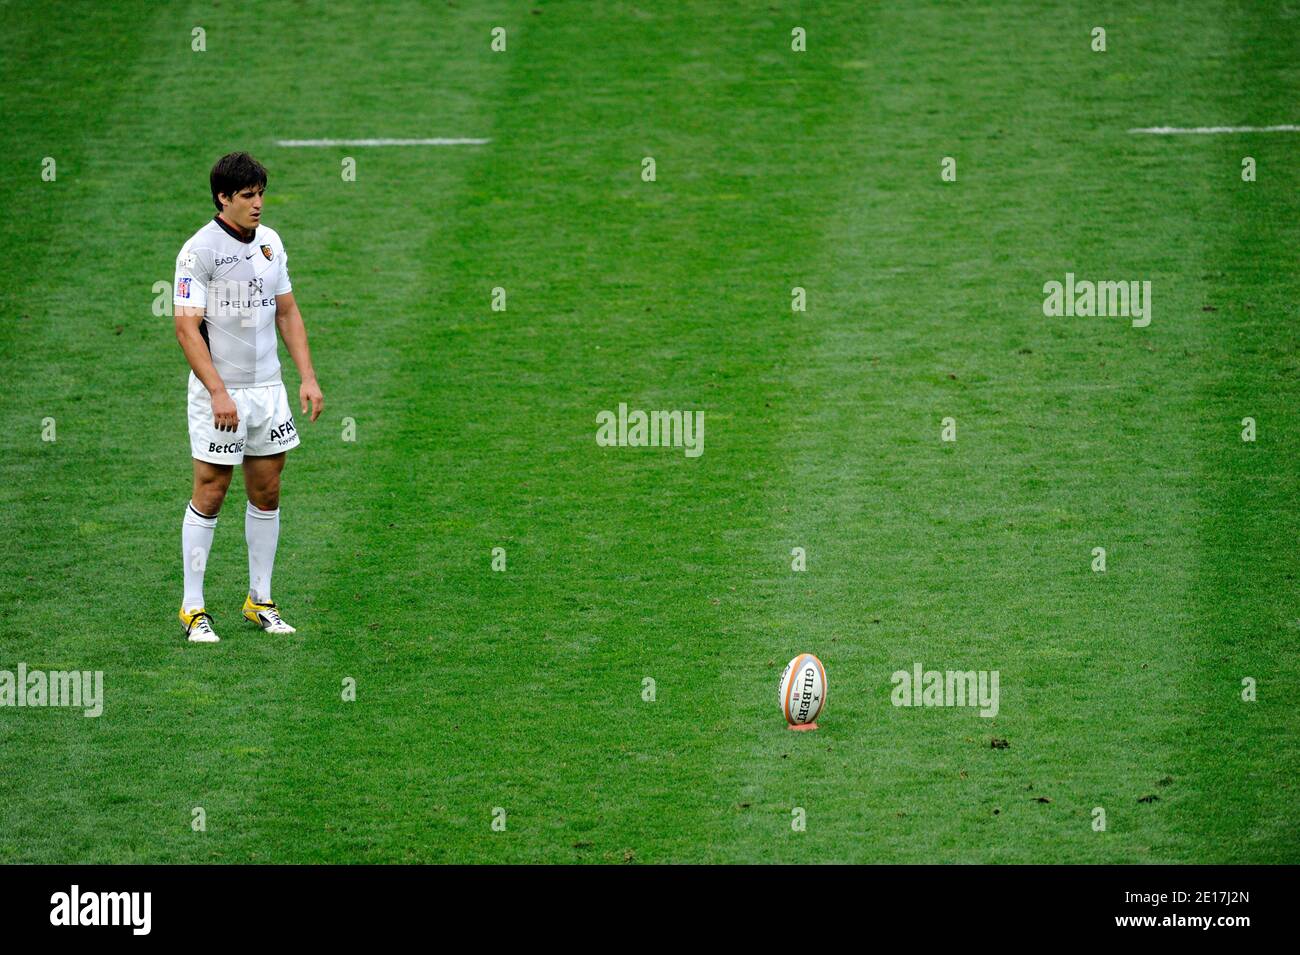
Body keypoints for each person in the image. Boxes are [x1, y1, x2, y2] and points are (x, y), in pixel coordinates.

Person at [172, 152, 323, 642]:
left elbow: (287, 312)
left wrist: (307, 376)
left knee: (268, 489)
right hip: (221, 393)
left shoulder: (271, 243)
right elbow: (186, 327)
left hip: (268, 389)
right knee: (212, 490)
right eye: (247, 196)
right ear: (223, 198)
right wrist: (217, 390)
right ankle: (193, 608)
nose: (258, 203)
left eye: (261, 193)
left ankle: (260, 599)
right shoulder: (199, 251)